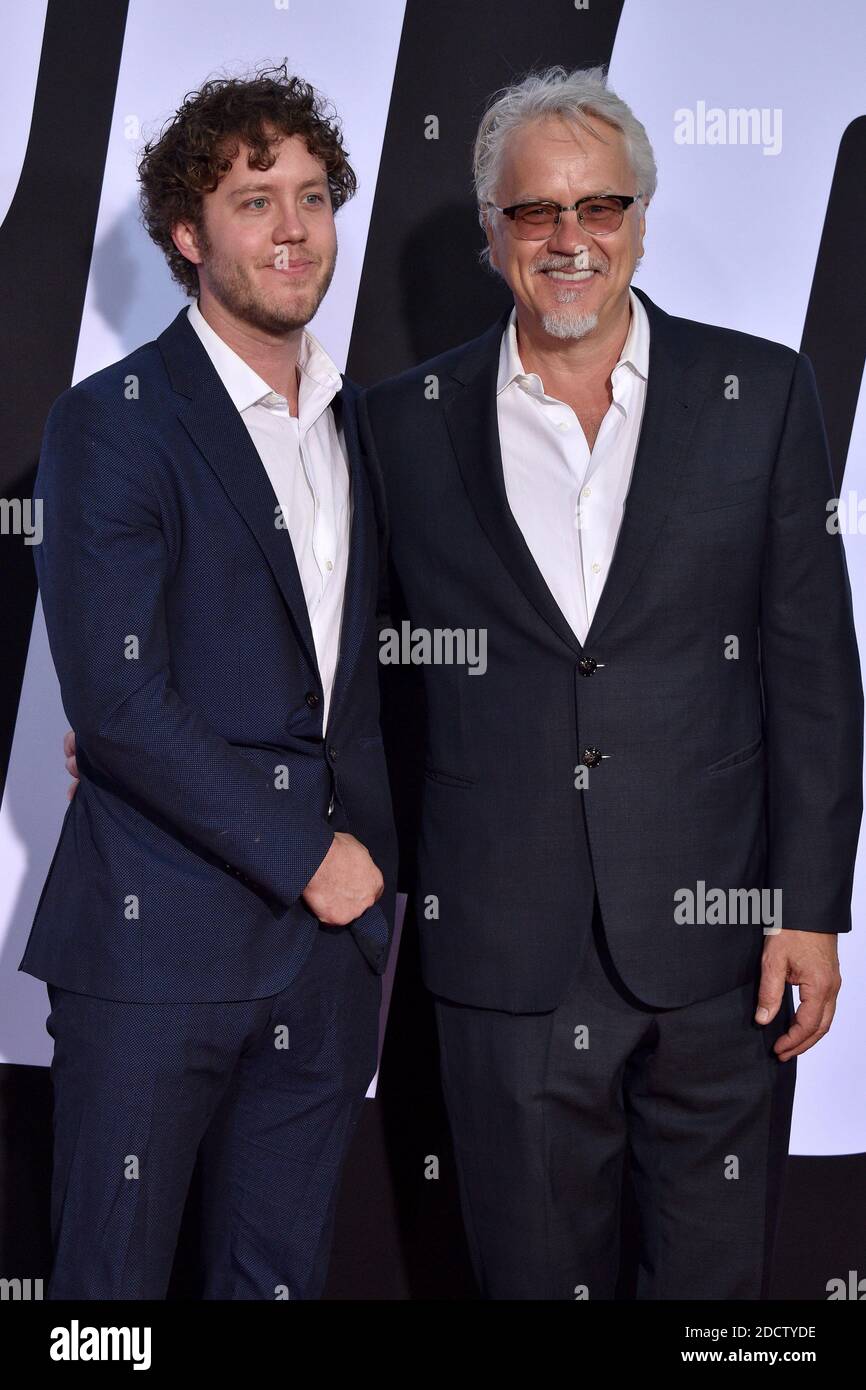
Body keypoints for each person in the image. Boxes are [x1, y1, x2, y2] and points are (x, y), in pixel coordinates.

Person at [360, 65, 864, 1299]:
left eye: (599, 208)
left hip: (718, 942)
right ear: (492, 233)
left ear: (640, 220)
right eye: (535, 213)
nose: (569, 241)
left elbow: (811, 672)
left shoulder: (755, 396)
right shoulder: (397, 424)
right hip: (500, 950)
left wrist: (810, 906)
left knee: (712, 1292)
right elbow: (347, 664)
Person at [23, 64, 396, 1300]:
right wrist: (309, 856)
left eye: (311, 195)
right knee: (105, 1307)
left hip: (329, 964)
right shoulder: (114, 421)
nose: (292, 227)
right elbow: (119, 707)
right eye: (252, 200)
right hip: (155, 948)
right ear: (187, 234)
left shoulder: (365, 425)